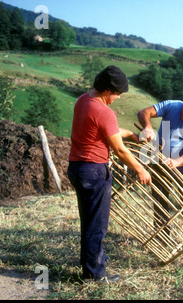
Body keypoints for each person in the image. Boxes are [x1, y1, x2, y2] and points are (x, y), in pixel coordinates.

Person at [68, 65, 151, 283]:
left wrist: (133, 134)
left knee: (89, 222)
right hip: (94, 171)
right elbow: (119, 150)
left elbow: (108, 132)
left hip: (77, 167)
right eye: (117, 94)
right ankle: (95, 276)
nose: (117, 98)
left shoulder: (83, 101)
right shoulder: (104, 111)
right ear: (107, 90)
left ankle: (90, 267)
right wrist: (140, 168)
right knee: (97, 226)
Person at [137, 95, 183, 253]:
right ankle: (162, 235)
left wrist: (176, 162)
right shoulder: (172, 106)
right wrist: (148, 126)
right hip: (159, 158)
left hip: (182, 164)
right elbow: (143, 112)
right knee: (160, 198)